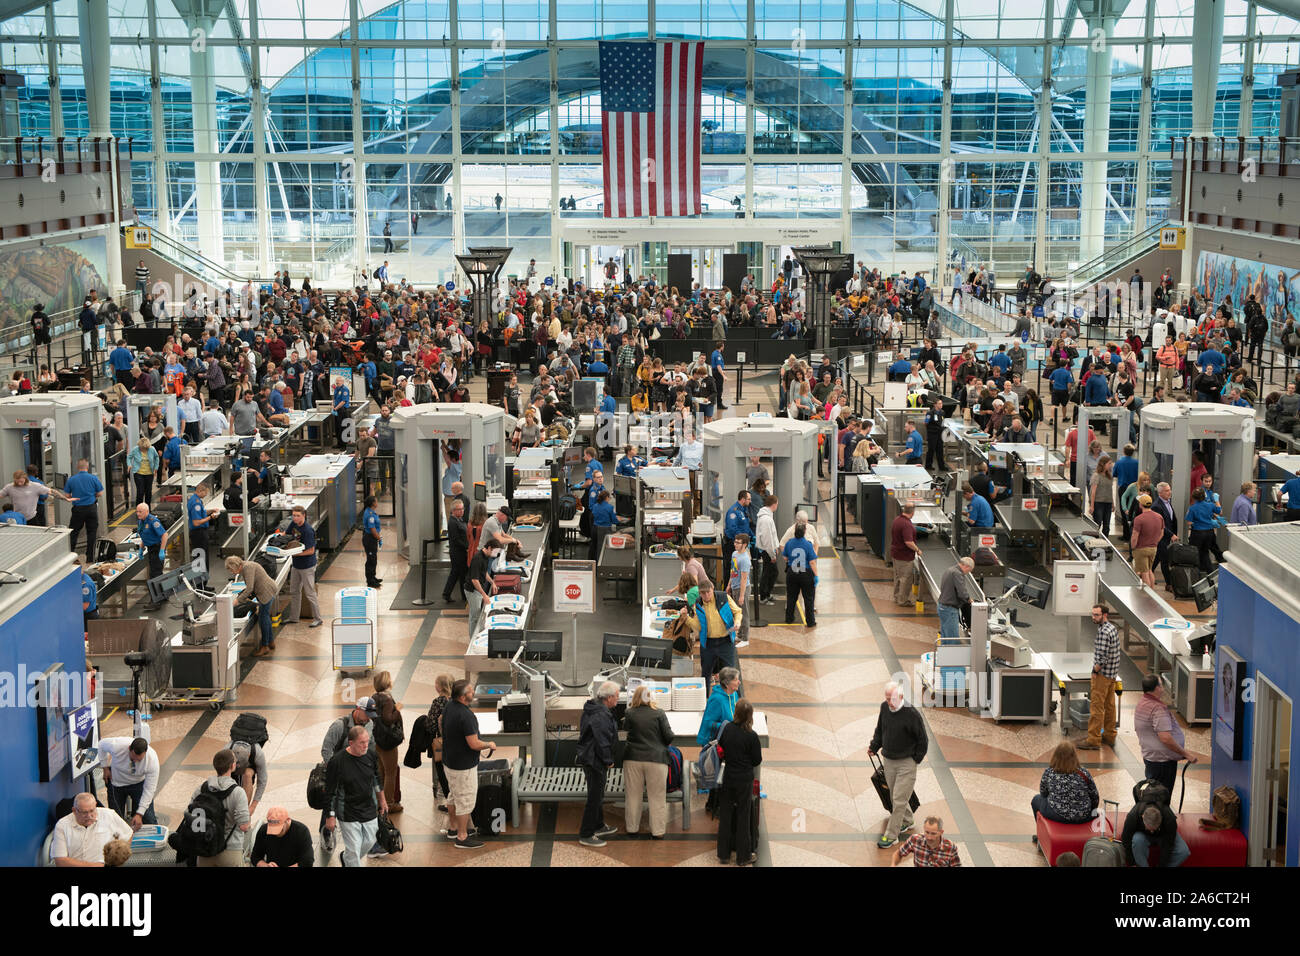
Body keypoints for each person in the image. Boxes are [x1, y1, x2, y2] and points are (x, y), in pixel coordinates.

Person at [868, 681, 928, 848]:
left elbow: (923, 740)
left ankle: (891, 835)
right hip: (889, 761)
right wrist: (874, 746)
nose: (889, 703)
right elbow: (880, 729)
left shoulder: (911, 714)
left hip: (906, 764)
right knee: (895, 795)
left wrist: (915, 760)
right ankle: (907, 820)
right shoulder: (884, 708)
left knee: (899, 799)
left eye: (892, 699)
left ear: (901, 697)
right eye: (887, 699)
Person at [442, 678, 498, 848]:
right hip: (463, 766)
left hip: (449, 761)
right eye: (471, 691)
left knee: (453, 795)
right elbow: (474, 744)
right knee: (465, 800)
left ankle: (453, 828)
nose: (473, 693)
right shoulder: (466, 715)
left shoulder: (449, 706)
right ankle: (462, 836)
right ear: (463, 696)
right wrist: (489, 744)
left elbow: (440, 722)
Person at [324, 725, 387, 866]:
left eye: (367, 741)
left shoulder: (371, 755)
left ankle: (346, 859)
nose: (366, 745)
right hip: (347, 811)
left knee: (370, 841)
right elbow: (330, 792)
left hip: (368, 807)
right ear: (351, 743)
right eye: (362, 743)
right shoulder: (337, 762)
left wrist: (382, 800)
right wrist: (330, 816)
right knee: (354, 849)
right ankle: (350, 859)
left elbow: (377, 779)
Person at [622, 685, 674, 839]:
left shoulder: (629, 713)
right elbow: (669, 736)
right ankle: (657, 832)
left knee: (632, 795)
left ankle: (632, 829)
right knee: (657, 797)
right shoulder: (659, 713)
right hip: (657, 759)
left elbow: (625, 729)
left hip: (632, 758)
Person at [716, 698, 763, 866]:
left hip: (728, 776)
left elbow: (721, 747)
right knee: (744, 816)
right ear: (750, 716)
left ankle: (723, 854)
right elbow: (757, 760)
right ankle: (743, 857)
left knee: (726, 815)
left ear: (736, 713)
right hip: (744, 780)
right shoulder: (752, 736)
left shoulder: (727, 728)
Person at [1134, 673, 1197, 790]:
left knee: (1154, 795)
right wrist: (1186, 754)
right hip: (1162, 762)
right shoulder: (1157, 708)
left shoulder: (1142, 702)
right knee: (1161, 798)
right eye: (1161, 686)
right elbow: (1165, 738)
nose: (1163, 689)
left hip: (1152, 758)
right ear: (1157, 688)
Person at [577, 681, 621, 848]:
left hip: (591, 758)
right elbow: (602, 741)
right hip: (595, 760)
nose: (618, 699)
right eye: (616, 696)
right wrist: (608, 760)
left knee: (598, 794)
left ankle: (599, 825)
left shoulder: (594, 708)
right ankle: (586, 833)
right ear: (608, 698)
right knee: (594, 797)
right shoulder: (601, 715)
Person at [51, 792, 135, 867]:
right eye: (84, 812)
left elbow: (128, 833)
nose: (89, 816)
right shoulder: (62, 825)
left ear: (95, 805)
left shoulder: (109, 815)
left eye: (92, 811)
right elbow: (60, 861)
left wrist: (119, 855)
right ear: (74, 810)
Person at [1078, 604, 1119, 751]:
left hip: (1102, 675)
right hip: (1112, 674)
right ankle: (1110, 735)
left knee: (1096, 707)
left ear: (1105, 615)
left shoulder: (1103, 632)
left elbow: (1102, 657)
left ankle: (1093, 739)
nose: (1093, 617)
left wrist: (1095, 671)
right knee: (1110, 706)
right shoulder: (1112, 628)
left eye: (1096, 615)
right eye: (1093, 614)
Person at [1030, 741, 1099, 824]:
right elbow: (1095, 797)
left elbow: (1043, 793)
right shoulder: (1084, 772)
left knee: (1036, 799)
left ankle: (1041, 833)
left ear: (1055, 756)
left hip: (1057, 815)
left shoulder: (1049, 772)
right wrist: (1092, 811)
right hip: (1083, 816)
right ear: (1074, 756)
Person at [100, 735, 160, 829]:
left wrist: (140, 813)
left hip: (139, 784)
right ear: (129, 749)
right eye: (133, 758)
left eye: (139, 760)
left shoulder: (152, 760)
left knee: (149, 819)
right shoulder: (117, 745)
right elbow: (101, 744)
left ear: (145, 752)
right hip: (116, 784)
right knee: (115, 820)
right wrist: (105, 767)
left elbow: (150, 789)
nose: (135, 761)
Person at [688, 583, 743, 682]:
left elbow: (737, 611)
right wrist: (686, 619)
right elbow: (698, 626)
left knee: (731, 674)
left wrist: (737, 621)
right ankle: (706, 696)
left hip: (726, 642)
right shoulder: (698, 603)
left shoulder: (724, 597)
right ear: (699, 593)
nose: (706, 596)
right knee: (705, 675)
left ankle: (732, 697)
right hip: (708, 644)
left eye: (708, 592)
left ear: (712, 589)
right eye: (703, 593)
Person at [285, 505, 324, 628]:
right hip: (296, 565)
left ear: (304, 515)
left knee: (310, 593)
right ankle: (294, 617)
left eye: (298, 516)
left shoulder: (308, 530)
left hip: (307, 566)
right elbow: (286, 534)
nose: (295, 518)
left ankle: (318, 618)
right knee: (294, 591)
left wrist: (294, 553)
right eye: (294, 515)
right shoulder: (293, 524)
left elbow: (311, 551)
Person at [1122, 800, 1191, 868]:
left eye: (1154, 828)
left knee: (1183, 851)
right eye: (1149, 828)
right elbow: (1126, 839)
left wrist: (1162, 865)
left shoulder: (1170, 819)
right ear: (1143, 817)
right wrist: (1132, 863)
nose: (1152, 831)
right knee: (1137, 840)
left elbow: (1168, 845)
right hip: (1143, 834)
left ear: (1161, 818)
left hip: (1163, 834)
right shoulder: (1132, 817)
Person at [371, 671, 404, 813]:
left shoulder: (374, 697)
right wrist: (397, 709)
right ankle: (389, 803)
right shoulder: (388, 699)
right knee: (391, 772)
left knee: (381, 770)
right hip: (388, 741)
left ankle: (380, 801)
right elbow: (388, 718)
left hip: (377, 738)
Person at [63, 458, 103, 562]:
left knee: (74, 532)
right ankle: (90, 557)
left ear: (77, 467)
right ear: (87, 466)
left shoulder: (71, 479)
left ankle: (70, 556)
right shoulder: (93, 478)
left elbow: (67, 496)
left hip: (78, 510)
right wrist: (92, 495)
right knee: (92, 532)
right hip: (91, 509)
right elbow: (100, 493)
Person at [250, 808, 314, 867]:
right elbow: (255, 857)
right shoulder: (264, 830)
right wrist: (266, 865)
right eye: (272, 829)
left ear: (288, 820)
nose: (276, 833)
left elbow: (308, 861)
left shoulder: (301, 831)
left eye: (279, 829)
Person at [782, 522, 818, 626]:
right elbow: (812, 562)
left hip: (792, 573)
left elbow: (785, 557)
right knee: (808, 598)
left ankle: (789, 618)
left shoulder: (789, 543)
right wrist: (816, 575)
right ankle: (810, 622)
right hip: (805, 574)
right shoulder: (808, 544)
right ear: (804, 532)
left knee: (791, 597)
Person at [891, 816, 962, 867]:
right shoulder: (915, 840)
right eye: (927, 832)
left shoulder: (950, 848)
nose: (929, 837)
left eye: (933, 833)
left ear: (941, 832)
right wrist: (893, 864)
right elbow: (899, 853)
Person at [1185, 486, 1225, 573]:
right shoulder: (1211, 505)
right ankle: (1210, 572)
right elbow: (1219, 511)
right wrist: (1217, 500)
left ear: (1194, 497)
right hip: (1209, 532)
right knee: (1205, 552)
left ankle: (1196, 573)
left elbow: (1189, 522)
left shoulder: (1192, 508)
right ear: (1204, 496)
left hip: (1197, 533)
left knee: (1195, 553)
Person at [1129, 495, 1164, 589]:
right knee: (1149, 570)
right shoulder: (1159, 517)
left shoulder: (1139, 519)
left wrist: (1133, 547)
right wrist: (1154, 542)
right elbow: (1161, 533)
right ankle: (1152, 593)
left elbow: (1134, 536)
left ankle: (1148, 596)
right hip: (1153, 548)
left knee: (1144, 573)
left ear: (1140, 504)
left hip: (1141, 549)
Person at [467, 539, 500, 634]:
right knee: (475, 617)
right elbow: (474, 580)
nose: (495, 554)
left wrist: (492, 582)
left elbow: (484, 572)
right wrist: (484, 595)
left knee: (475, 614)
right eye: (495, 551)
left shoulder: (486, 556)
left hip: (478, 589)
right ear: (489, 548)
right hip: (473, 590)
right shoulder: (478, 558)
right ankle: (473, 639)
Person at [891, 503, 920, 607]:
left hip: (896, 553)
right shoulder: (906, 524)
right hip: (904, 556)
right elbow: (908, 542)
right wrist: (918, 550)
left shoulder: (897, 519)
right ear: (912, 513)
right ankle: (903, 601)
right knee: (905, 579)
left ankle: (897, 597)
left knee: (898, 577)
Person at [727, 532, 752, 647]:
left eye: (738, 543)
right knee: (738, 612)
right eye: (735, 542)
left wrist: (742, 595)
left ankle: (745, 639)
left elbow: (744, 578)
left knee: (744, 613)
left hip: (742, 589)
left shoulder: (745, 559)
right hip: (734, 587)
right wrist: (729, 585)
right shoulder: (734, 554)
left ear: (745, 544)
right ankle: (740, 635)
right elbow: (733, 571)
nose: (735, 544)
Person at [754, 494, 780, 605]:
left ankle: (767, 594)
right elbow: (767, 538)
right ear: (774, 504)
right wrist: (772, 554)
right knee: (769, 573)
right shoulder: (766, 519)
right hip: (767, 551)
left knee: (771, 572)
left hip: (769, 550)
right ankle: (764, 596)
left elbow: (772, 535)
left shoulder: (767, 517)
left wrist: (776, 547)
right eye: (777, 504)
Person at [443, 498, 469, 603]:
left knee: (458, 573)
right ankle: (451, 594)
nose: (462, 511)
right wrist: (467, 547)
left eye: (462, 508)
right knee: (458, 573)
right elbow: (456, 539)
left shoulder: (460, 519)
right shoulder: (453, 522)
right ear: (453, 511)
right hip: (457, 552)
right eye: (459, 509)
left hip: (461, 551)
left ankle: (449, 594)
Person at [1089, 456, 1114, 536]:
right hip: (1098, 503)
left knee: (1106, 526)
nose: (1111, 465)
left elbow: (1110, 491)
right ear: (1103, 464)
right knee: (1097, 524)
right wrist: (1092, 506)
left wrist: (1112, 504)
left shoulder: (1109, 476)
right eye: (1109, 463)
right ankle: (1094, 541)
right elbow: (1093, 492)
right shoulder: (1096, 475)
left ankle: (1105, 542)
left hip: (1108, 503)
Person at [361, 494, 383, 588]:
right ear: (373, 503)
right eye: (376, 501)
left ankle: (373, 577)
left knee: (373, 559)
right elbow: (373, 530)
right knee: (371, 560)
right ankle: (370, 581)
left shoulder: (370, 511)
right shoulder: (370, 515)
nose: (377, 502)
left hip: (371, 538)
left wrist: (372, 489)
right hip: (370, 538)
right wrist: (379, 538)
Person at [924, 399, 946, 470]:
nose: (941, 405)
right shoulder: (930, 413)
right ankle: (928, 465)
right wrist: (930, 429)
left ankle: (941, 466)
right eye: (939, 403)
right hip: (932, 434)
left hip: (940, 434)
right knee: (931, 450)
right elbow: (925, 423)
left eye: (941, 403)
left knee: (940, 450)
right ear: (935, 404)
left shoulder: (942, 412)